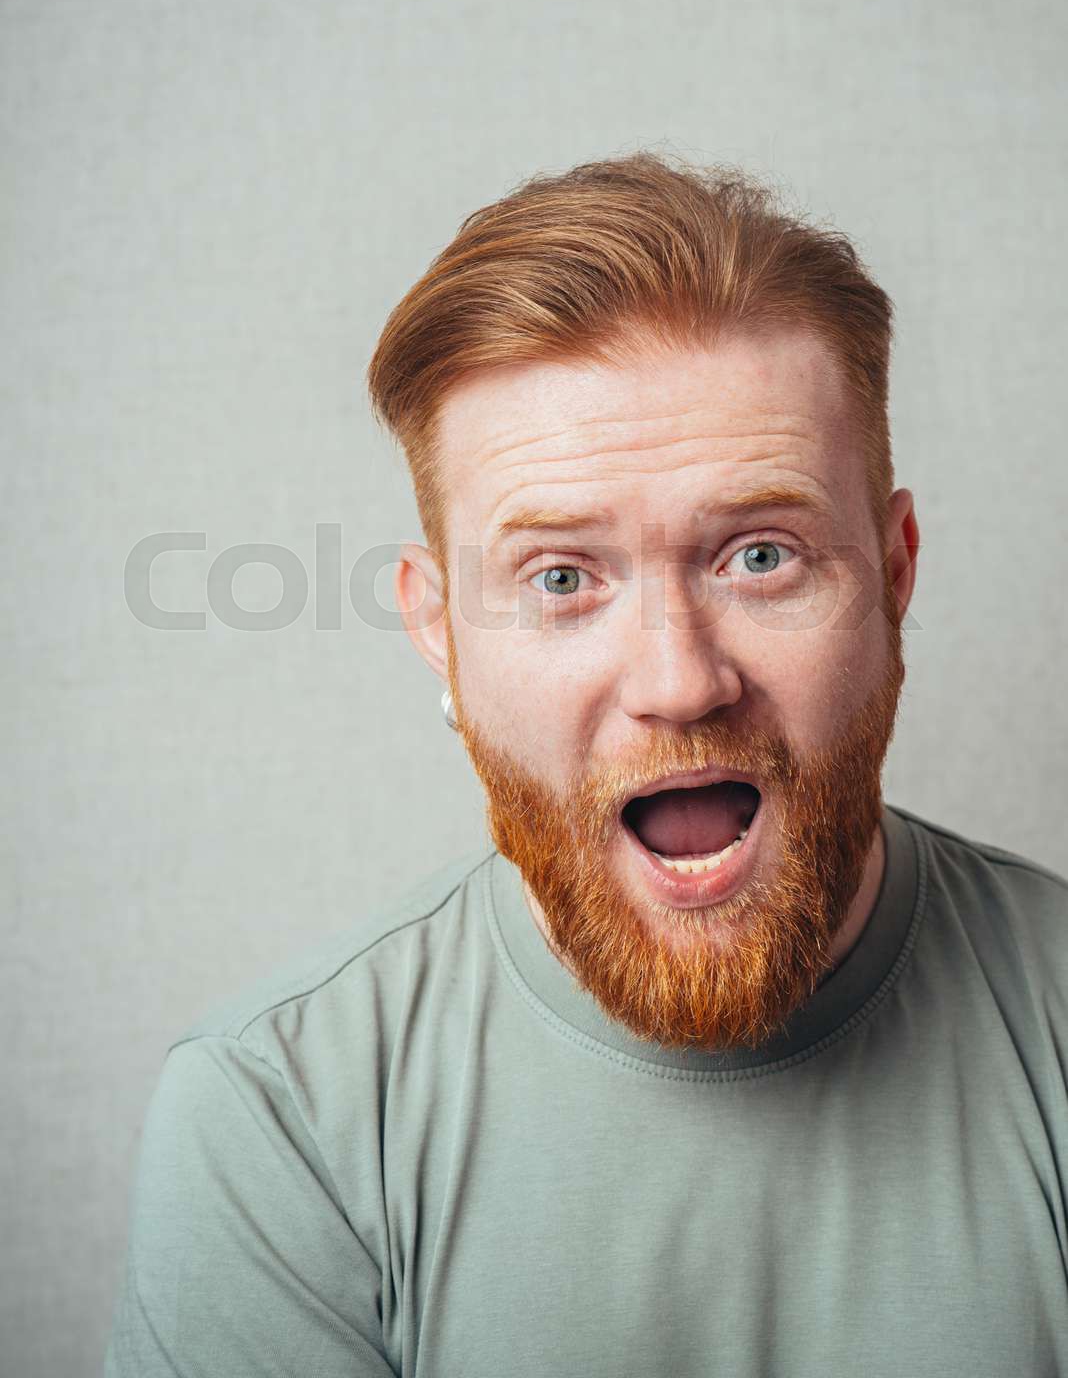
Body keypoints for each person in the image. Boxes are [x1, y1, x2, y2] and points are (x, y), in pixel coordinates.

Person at [104, 154, 1068, 1376]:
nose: (679, 679)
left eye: (762, 555)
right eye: (562, 578)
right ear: (442, 638)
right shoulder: (282, 1123)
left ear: (895, 572)